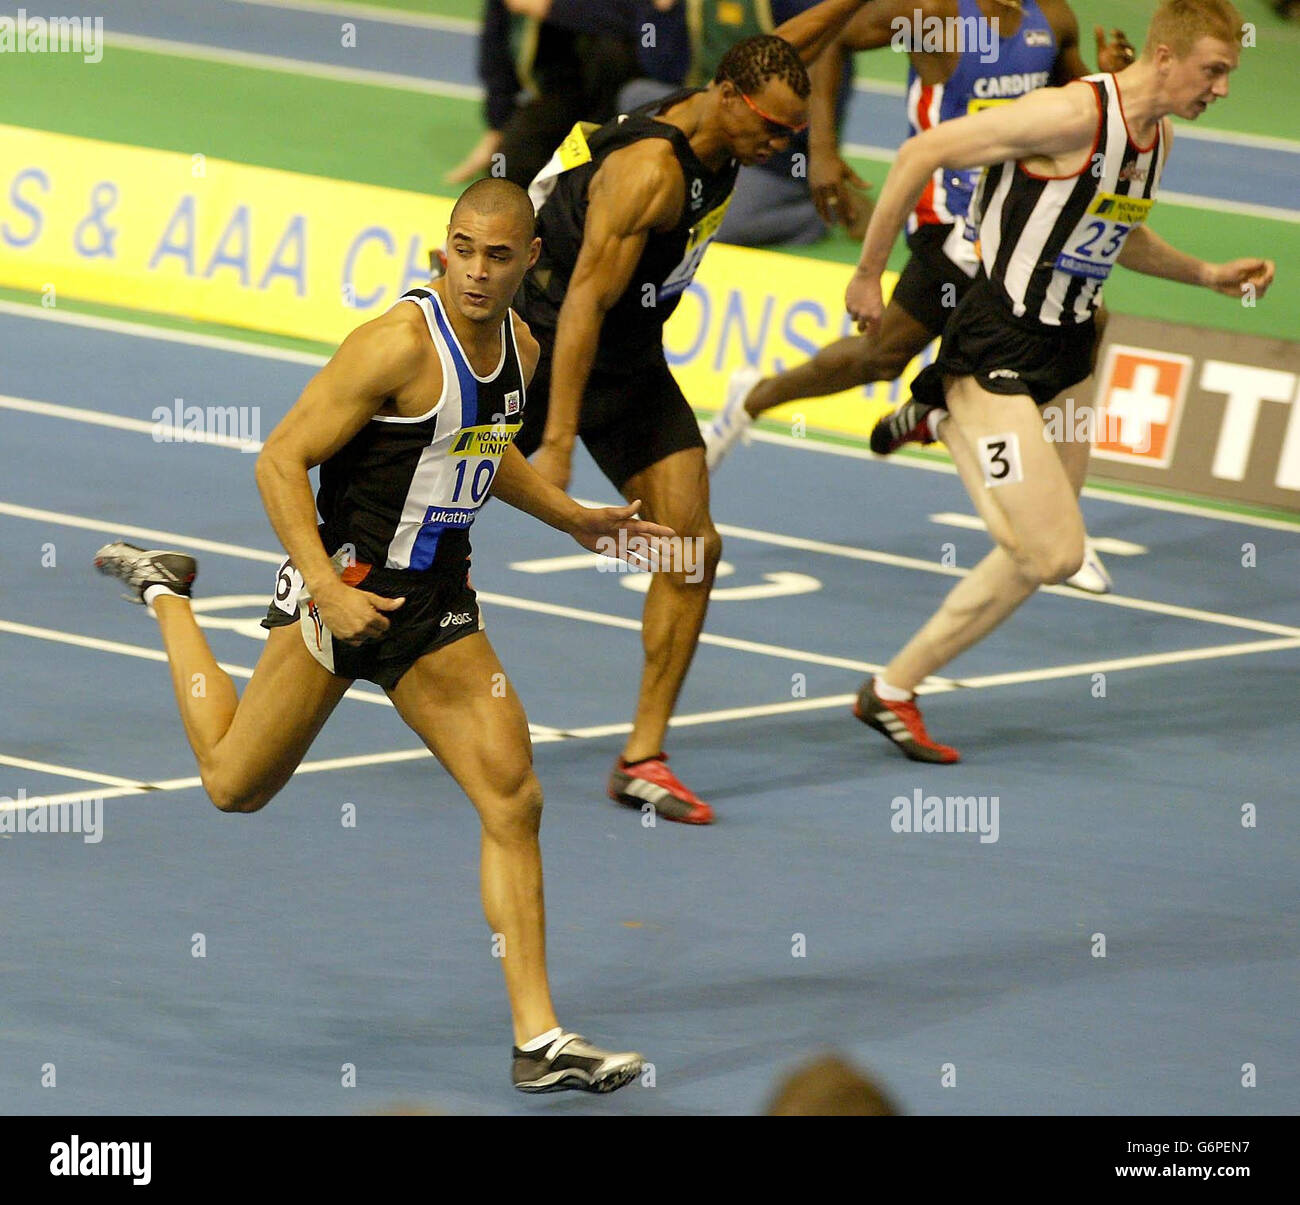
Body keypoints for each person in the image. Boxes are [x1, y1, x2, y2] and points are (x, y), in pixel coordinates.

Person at [94, 178, 675, 1094]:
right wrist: (322, 588)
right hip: (344, 590)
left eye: (496, 256)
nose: (475, 271)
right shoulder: (396, 345)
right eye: (461, 250)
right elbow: (280, 457)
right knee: (231, 784)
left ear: (529, 263)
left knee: (513, 796)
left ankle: (539, 1039)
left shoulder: (522, 347)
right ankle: (169, 594)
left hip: (433, 607)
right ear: (442, 248)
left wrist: (570, 516)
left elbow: (478, 448)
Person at [842, 0, 1274, 762]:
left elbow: (1117, 228)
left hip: (1073, 348)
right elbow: (922, 154)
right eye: (1215, 70)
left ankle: (892, 691)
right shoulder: (1070, 114)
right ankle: (945, 409)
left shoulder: (1155, 138)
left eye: (1228, 75)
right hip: (994, 347)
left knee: (1033, 550)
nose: (1222, 88)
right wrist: (870, 275)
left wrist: (1206, 274)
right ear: (1165, 58)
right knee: (1057, 554)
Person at [517, 1, 878, 824]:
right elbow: (581, 306)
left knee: (692, 547)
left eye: (792, 131)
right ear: (726, 98)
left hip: (633, 360)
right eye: (773, 130)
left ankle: (642, 757)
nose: (781, 144)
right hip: (537, 352)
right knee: (420, 512)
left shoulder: (746, 91)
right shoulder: (651, 174)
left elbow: (800, 41)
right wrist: (560, 443)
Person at [703, 0, 1135, 593]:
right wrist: (821, 151)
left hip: (1017, 218)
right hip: (949, 219)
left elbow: (1081, 102)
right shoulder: (932, 14)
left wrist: (1111, 80)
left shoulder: (1051, 20)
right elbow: (830, 42)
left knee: (1084, 323)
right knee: (878, 358)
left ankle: (1058, 522)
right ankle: (753, 398)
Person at [616, 0, 867, 246]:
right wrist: (662, 12)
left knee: (714, 226)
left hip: (776, 151)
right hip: (718, 116)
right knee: (636, 96)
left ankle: (813, 215)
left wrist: (819, 150)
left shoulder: (793, 7)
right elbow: (664, 70)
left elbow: (827, 66)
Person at [447, 0, 639, 188]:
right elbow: (497, 48)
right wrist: (496, 128)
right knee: (509, 169)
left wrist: (553, 8)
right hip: (565, 92)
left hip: (624, 100)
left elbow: (642, 22)